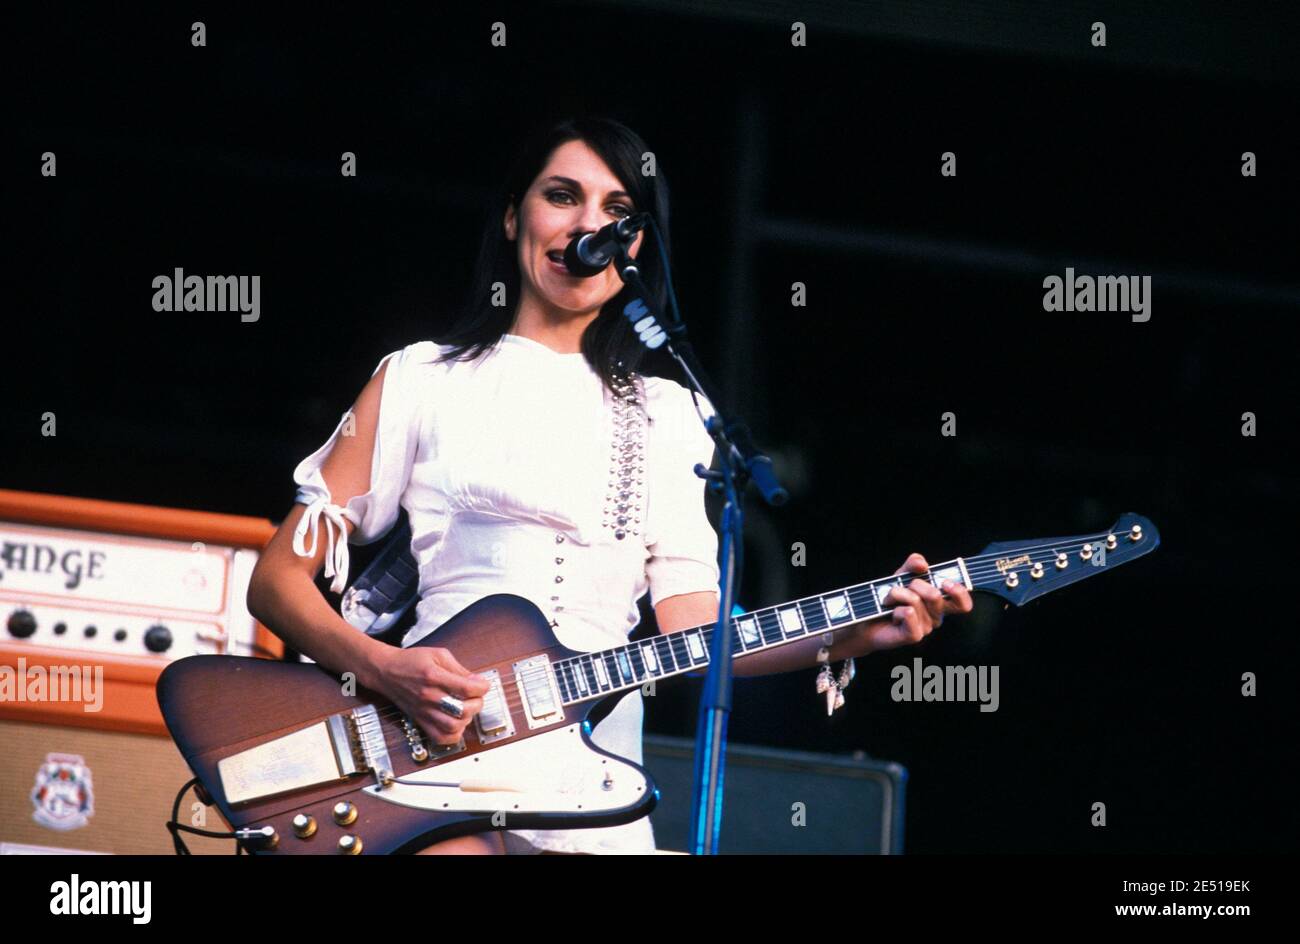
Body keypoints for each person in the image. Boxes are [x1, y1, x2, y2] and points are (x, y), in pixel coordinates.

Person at [246, 116, 973, 855]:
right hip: (438, 762)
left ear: (633, 247)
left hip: (594, 790)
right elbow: (276, 579)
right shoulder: (421, 379)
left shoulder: (669, 411)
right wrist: (386, 667)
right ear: (512, 216)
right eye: (562, 196)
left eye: (618, 214)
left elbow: (694, 623)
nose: (588, 225)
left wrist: (853, 630)